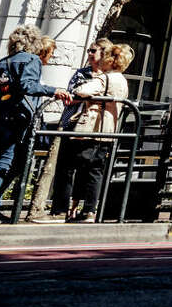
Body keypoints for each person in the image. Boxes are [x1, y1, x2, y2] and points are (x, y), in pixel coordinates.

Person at [0, 25, 70, 224]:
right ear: (34, 43)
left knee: (2, 164)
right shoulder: (32, 60)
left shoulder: (2, 63)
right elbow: (27, 85)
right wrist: (54, 90)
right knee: (5, 165)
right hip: (15, 121)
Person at [49, 41, 131, 223]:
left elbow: (83, 90)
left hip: (92, 127)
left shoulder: (105, 78)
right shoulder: (123, 80)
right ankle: (89, 211)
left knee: (79, 166)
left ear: (111, 60)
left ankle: (74, 209)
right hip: (109, 130)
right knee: (95, 170)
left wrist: (81, 93)